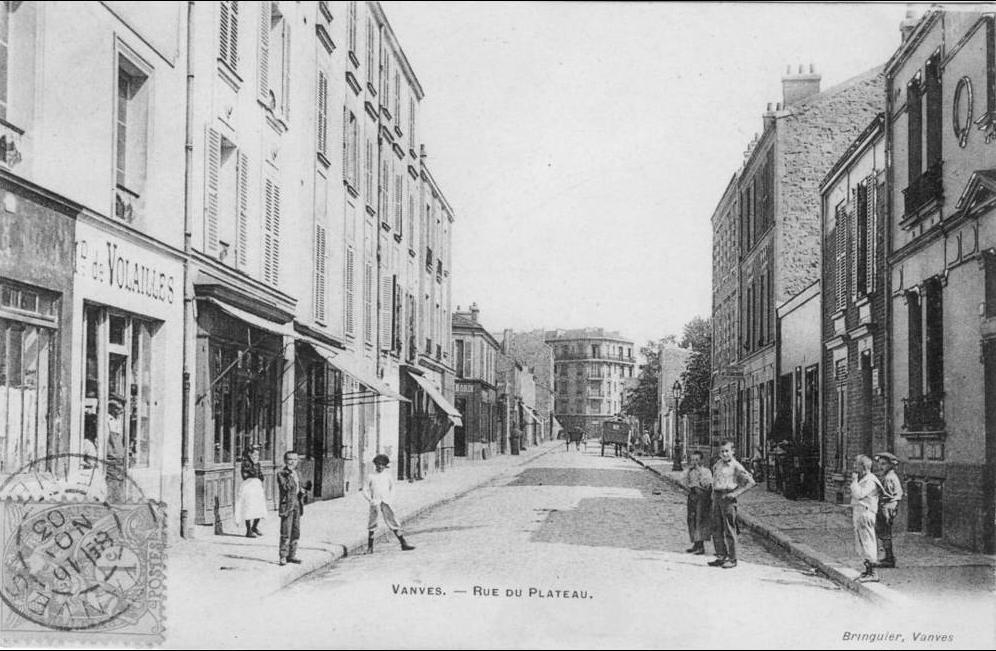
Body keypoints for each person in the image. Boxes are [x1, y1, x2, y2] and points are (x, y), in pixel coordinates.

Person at [708, 440, 756, 569]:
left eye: (727, 451)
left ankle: (732, 558)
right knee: (716, 528)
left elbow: (751, 482)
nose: (724, 454)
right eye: (722, 451)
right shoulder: (717, 464)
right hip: (717, 496)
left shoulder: (736, 466)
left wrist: (735, 494)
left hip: (728, 498)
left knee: (729, 528)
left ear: (732, 451)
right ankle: (721, 556)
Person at [363, 454, 415, 553]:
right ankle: (370, 547)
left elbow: (393, 488)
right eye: (378, 464)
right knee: (373, 523)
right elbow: (364, 489)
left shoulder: (387, 476)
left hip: (386, 502)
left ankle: (403, 543)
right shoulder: (371, 476)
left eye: (382, 464)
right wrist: (370, 499)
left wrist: (390, 498)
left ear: (385, 465)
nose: (380, 466)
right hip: (375, 502)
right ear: (375, 465)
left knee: (393, 521)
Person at [850, 454, 884, 582]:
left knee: (868, 541)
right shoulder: (864, 479)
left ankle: (873, 573)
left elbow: (859, 494)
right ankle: (867, 569)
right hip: (860, 512)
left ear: (863, 467)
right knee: (862, 542)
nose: (854, 467)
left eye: (856, 464)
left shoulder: (870, 480)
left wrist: (854, 481)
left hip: (866, 513)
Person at [873, 452, 903, 569]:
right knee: (884, 532)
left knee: (884, 532)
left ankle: (889, 558)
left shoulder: (888, 478)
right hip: (889, 506)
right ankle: (887, 557)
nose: (881, 467)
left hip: (886, 506)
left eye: (884, 464)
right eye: (880, 464)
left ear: (891, 465)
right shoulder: (890, 476)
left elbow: (886, 495)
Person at [277, 450, 306, 566]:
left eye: (295, 459)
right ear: (285, 461)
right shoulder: (282, 474)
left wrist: (303, 491)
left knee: (296, 531)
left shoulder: (298, 473)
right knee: (286, 532)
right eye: (290, 459)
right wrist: (289, 474)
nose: (292, 462)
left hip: (297, 504)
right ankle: (283, 556)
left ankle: (292, 555)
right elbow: (286, 487)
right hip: (287, 505)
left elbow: (301, 487)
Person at [684, 450, 713, 554]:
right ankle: (695, 543)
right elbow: (686, 484)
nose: (694, 462)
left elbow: (707, 485)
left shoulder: (706, 471)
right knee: (691, 519)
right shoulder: (690, 472)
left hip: (702, 497)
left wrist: (699, 472)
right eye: (692, 460)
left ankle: (701, 546)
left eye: (697, 460)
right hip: (692, 496)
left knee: (700, 520)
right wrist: (688, 473)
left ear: (701, 461)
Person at [236, 443, 267, 538]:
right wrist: (255, 470)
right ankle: (248, 530)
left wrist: (259, 476)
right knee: (249, 507)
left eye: (257, 455)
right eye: (254, 454)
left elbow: (260, 475)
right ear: (249, 454)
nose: (256, 456)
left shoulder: (257, 464)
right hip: (248, 487)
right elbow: (248, 474)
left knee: (259, 507)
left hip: (256, 486)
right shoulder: (246, 463)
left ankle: (254, 527)